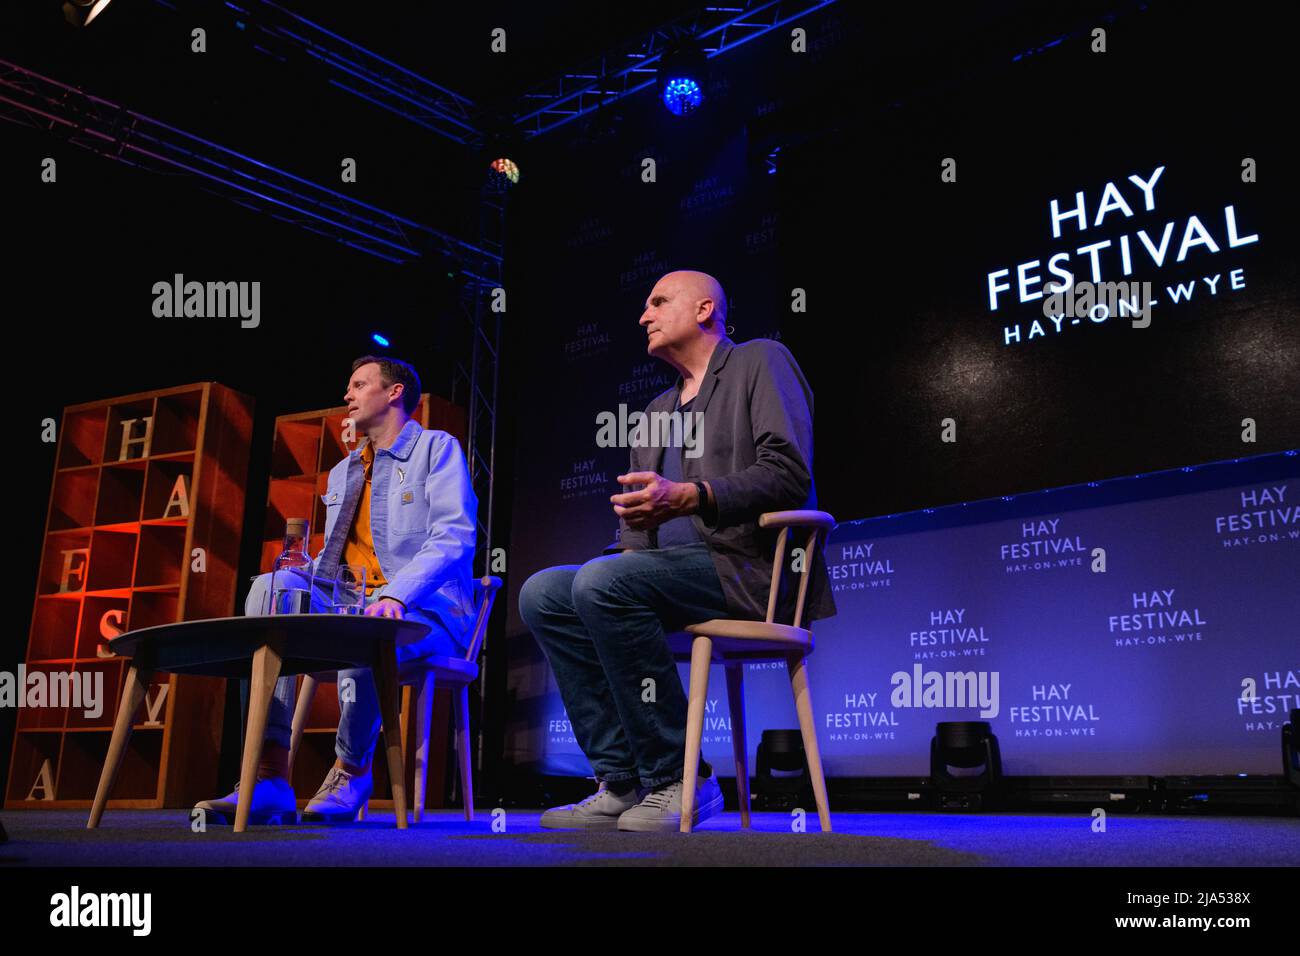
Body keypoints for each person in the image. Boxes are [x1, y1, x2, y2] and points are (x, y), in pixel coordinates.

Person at [519, 270, 835, 832]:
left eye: (659, 302)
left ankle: (678, 778)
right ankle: (621, 780)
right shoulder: (655, 412)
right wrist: (628, 540)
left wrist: (694, 495)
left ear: (706, 308)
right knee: (544, 592)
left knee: (602, 582)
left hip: (749, 570)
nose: (644, 315)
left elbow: (788, 474)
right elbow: (642, 529)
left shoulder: (759, 361)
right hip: (673, 574)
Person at [195, 356, 477, 824]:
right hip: (355, 600)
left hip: (426, 612)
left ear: (394, 393)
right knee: (272, 589)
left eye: (358, 384)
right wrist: (299, 576)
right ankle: (268, 774)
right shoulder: (343, 471)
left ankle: (352, 768)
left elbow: (454, 535)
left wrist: (396, 595)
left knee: (365, 627)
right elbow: (338, 565)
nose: (346, 394)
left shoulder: (435, 448)